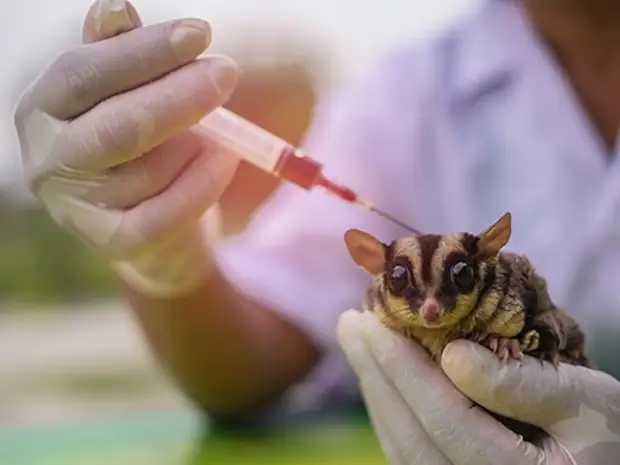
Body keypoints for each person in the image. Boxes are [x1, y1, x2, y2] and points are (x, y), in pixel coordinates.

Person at [13, 0, 620, 463]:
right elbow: (249, 362)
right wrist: (165, 258)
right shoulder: (403, 97)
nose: (431, 308)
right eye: (411, 284)